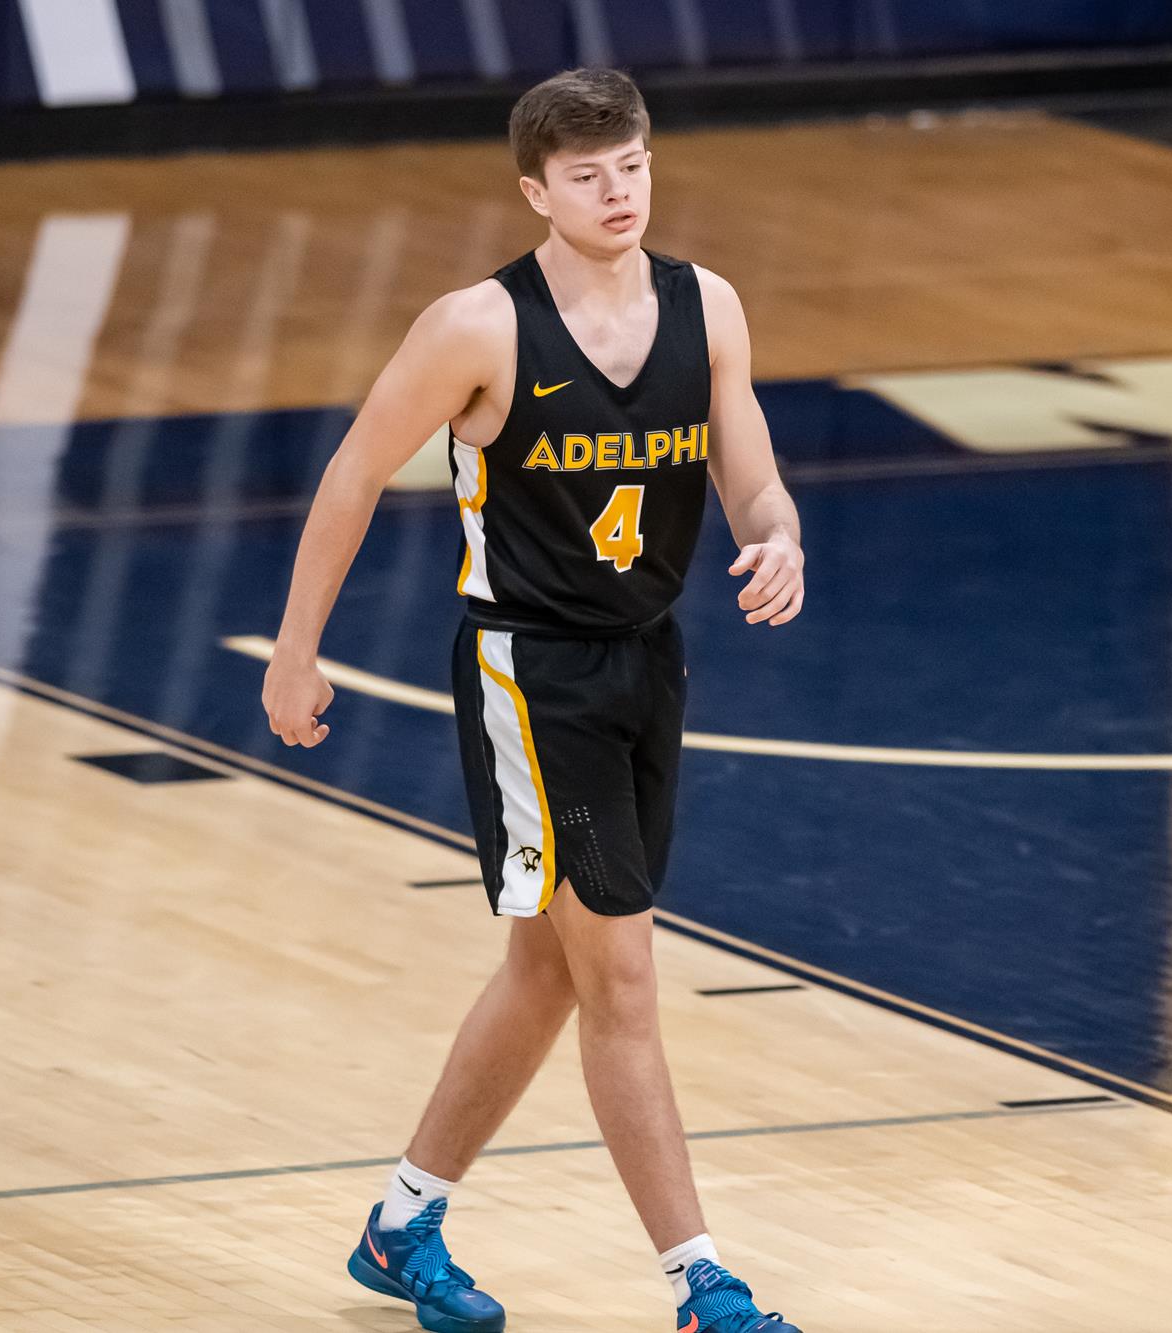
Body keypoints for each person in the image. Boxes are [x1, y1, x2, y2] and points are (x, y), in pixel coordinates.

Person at [260, 67, 805, 1333]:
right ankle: (701, 1284)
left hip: (647, 660)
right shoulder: (477, 327)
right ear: (534, 192)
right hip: (530, 671)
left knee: (546, 973)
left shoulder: (704, 307)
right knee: (619, 975)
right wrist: (296, 651)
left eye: (633, 167)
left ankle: (402, 1224)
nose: (618, 193)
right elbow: (350, 474)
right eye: (587, 176)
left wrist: (780, 539)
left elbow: (755, 480)